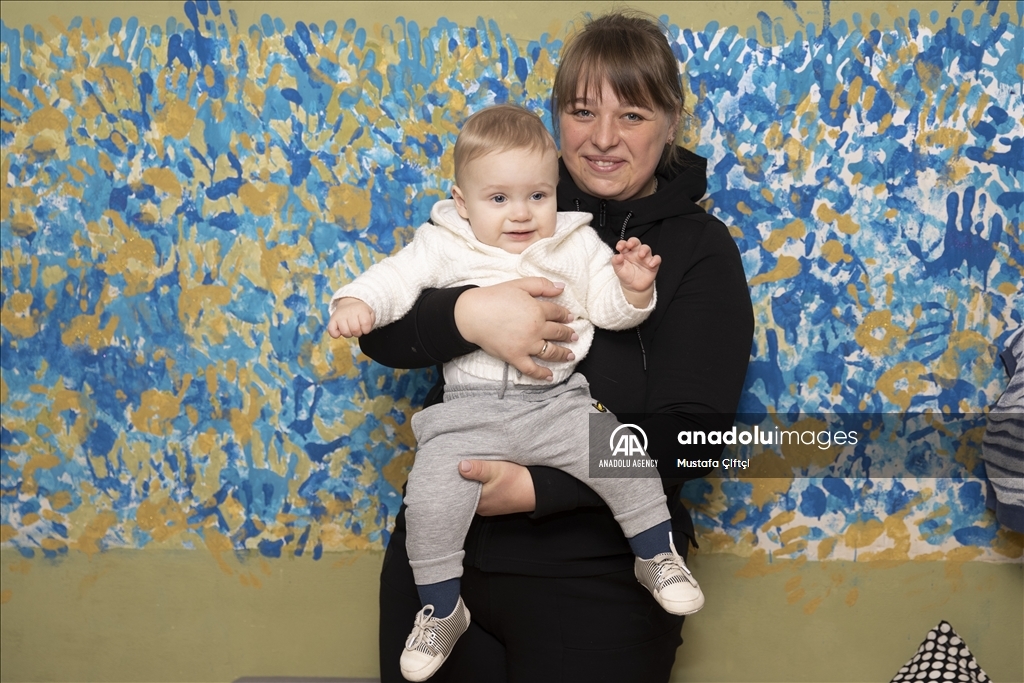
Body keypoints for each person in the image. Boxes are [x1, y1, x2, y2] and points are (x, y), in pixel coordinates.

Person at [360, 11, 754, 683]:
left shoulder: (700, 251)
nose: (602, 139)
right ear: (555, 117)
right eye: (581, 111)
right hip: (441, 566)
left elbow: (695, 435)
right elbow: (380, 328)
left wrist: (539, 487)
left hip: (596, 583)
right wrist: (468, 314)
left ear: (670, 121)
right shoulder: (495, 208)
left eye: (631, 115)